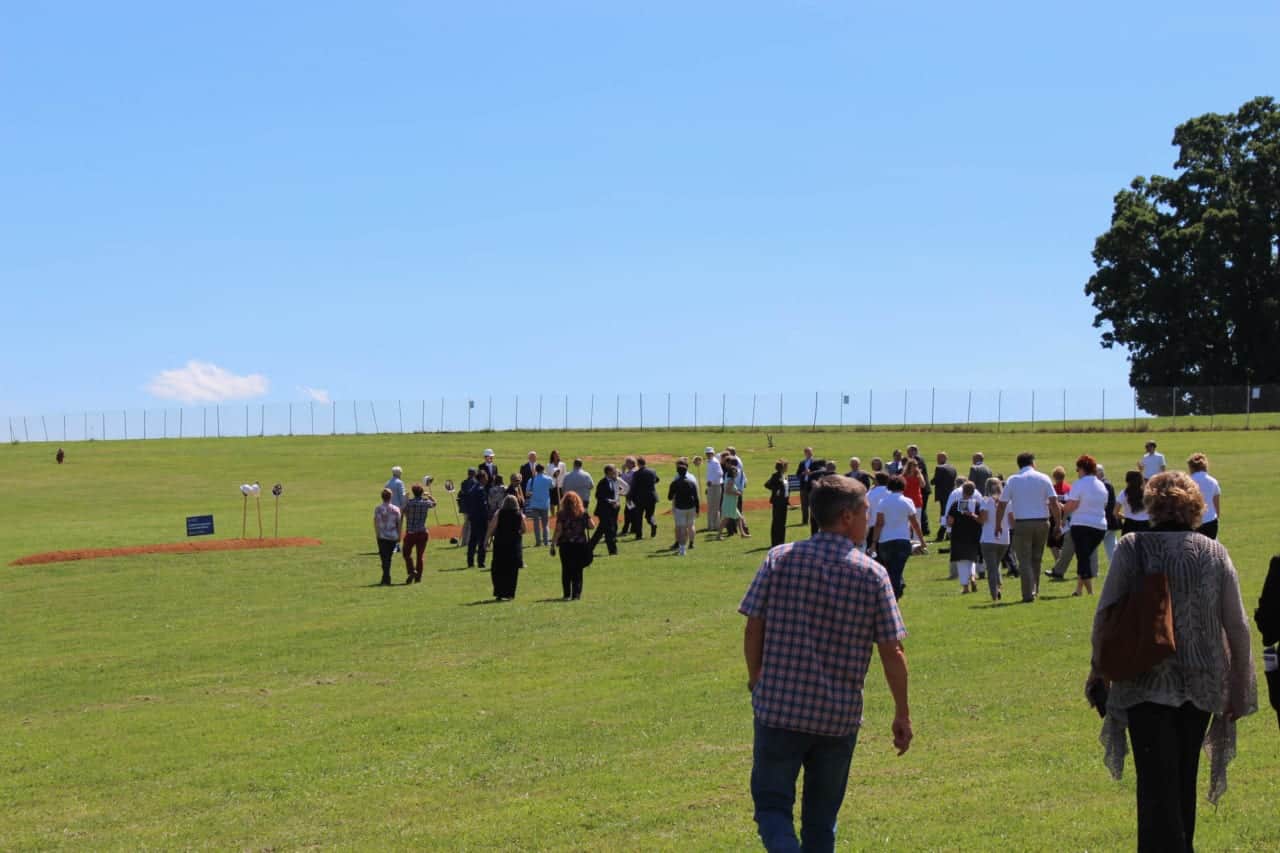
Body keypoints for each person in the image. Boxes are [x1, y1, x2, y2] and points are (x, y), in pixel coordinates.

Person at [739, 475, 912, 852]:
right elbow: (892, 651)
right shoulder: (873, 574)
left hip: (779, 708)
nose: (870, 518)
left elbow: (754, 627)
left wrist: (757, 679)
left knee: (772, 807)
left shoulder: (780, 559)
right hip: (836, 717)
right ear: (847, 517)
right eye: (866, 511)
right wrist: (902, 713)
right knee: (821, 821)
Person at [1087, 471, 1256, 852]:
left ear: (1152, 506)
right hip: (1202, 684)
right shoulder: (1214, 552)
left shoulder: (1132, 547)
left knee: (1154, 788)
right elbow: (1238, 626)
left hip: (1144, 680)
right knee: (1182, 781)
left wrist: (1098, 669)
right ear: (1195, 506)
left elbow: (1105, 614)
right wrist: (1239, 687)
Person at [996, 452, 1062, 603]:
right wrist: (1058, 524)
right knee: (1036, 558)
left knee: (1024, 560)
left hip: (1022, 523)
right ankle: (1035, 589)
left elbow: (1002, 504)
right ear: (1032, 463)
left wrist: (999, 523)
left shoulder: (1013, 480)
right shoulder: (1044, 478)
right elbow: (1054, 503)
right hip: (1042, 522)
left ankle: (1027, 594)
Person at [1062, 455, 1108, 598]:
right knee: (1085, 555)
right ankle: (1078, 590)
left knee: (1083, 558)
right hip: (1100, 526)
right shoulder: (1101, 485)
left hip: (1081, 524)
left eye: (1077, 469)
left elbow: (1072, 505)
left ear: (1082, 469)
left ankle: (1090, 593)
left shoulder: (1079, 484)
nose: (1077, 472)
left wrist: (1062, 508)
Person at [873, 475, 924, 600]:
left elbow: (879, 524)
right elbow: (915, 523)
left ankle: (895, 590)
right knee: (897, 568)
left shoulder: (883, 502)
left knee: (891, 568)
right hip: (902, 539)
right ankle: (896, 591)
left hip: (885, 540)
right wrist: (922, 540)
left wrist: (874, 542)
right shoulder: (907, 501)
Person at [553, 491, 593, 600]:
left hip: (565, 545)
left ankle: (566, 594)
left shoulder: (561, 514)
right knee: (578, 570)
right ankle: (576, 594)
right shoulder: (583, 512)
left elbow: (558, 530)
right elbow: (591, 526)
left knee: (566, 570)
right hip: (580, 544)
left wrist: (553, 544)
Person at [978, 479, 1011, 601]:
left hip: (988, 538)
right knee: (996, 565)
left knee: (991, 568)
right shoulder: (1008, 501)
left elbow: (983, 519)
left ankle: (994, 593)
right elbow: (1012, 520)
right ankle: (998, 587)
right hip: (1004, 539)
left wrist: (973, 515)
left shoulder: (986, 500)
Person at [486, 495, 525, 600]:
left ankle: (499, 592)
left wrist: (487, 540)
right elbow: (524, 529)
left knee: (498, 568)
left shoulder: (499, 513)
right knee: (512, 570)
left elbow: (491, 527)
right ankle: (510, 593)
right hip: (513, 545)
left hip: (500, 544)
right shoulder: (519, 514)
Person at [948, 482, 983, 594]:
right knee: (972, 559)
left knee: (962, 561)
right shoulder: (977, 505)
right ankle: (972, 576)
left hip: (959, 536)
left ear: (963, 491)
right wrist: (972, 515)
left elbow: (950, 522)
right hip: (973, 535)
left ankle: (965, 587)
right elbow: (981, 520)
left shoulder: (955, 505)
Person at [401, 483, 435, 584]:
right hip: (422, 532)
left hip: (411, 532)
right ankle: (418, 578)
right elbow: (434, 503)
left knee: (406, 553)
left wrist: (405, 499)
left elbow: (402, 510)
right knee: (420, 556)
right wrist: (429, 496)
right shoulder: (425, 503)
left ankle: (412, 571)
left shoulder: (410, 503)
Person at [668, 458, 700, 555]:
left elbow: (669, 497)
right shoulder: (692, 481)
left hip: (680, 508)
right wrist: (697, 509)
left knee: (681, 528)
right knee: (691, 526)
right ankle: (691, 543)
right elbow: (696, 497)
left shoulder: (675, 482)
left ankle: (682, 548)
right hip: (691, 507)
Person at [461, 470, 493, 569]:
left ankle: (470, 562)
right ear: (482, 478)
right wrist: (488, 517)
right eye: (486, 477)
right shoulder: (480, 489)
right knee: (482, 540)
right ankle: (481, 562)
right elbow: (483, 506)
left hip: (473, 517)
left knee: (472, 540)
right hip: (481, 518)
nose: (487, 479)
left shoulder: (472, 488)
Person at [588, 464, 621, 555]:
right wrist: (610, 501)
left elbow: (615, 494)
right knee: (609, 530)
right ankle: (613, 551)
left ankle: (588, 548)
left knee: (602, 531)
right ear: (609, 472)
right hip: (603, 511)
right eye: (614, 470)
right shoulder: (602, 482)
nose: (615, 472)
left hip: (611, 510)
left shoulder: (614, 481)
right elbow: (598, 496)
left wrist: (616, 502)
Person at [1187, 453, 1221, 540]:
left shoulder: (1188, 481)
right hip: (1211, 521)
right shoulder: (1213, 481)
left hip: (1194, 521)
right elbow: (1216, 506)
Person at [372, 487, 402, 586]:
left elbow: (376, 522)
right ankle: (386, 577)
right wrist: (399, 535)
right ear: (391, 497)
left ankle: (386, 577)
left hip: (382, 536)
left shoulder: (378, 509)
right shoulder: (396, 509)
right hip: (392, 536)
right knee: (388, 557)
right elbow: (399, 523)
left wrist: (377, 533)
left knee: (384, 558)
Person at [525, 463, 555, 549]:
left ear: (536, 470)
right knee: (545, 524)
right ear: (543, 470)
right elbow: (553, 486)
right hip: (545, 504)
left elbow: (527, 493)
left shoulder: (532, 480)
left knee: (536, 524)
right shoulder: (548, 479)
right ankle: (546, 541)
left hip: (534, 504)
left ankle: (538, 542)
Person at [630, 456, 660, 539]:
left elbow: (634, 486)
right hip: (652, 497)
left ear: (638, 464)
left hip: (640, 498)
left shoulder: (636, 474)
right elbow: (657, 480)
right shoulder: (652, 471)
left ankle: (639, 535)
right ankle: (653, 524)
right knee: (650, 515)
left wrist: (630, 496)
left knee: (638, 517)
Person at [905, 445, 931, 537]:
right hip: (910, 497)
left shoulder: (917, 459)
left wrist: (918, 472)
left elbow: (922, 483)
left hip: (918, 495)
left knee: (919, 516)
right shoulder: (905, 475)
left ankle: (920, 534)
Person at [931, 452, 958, 542]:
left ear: (942, 458)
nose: (937, 460)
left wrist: (932, 481)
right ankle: (948, 533)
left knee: (943, 514)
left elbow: (936, 480)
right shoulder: (952, 468)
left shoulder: (939, 468)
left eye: (938, 458)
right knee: (949, 513)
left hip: (943, 494)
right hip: (951, 493)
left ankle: (941, 534)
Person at [765, 460, 790, 547]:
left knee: (783, 523)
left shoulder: (784, 476)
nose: (787, 467)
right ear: (782, 467)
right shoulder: (776, 475)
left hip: (784, 502)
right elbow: (767, 484)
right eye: (786, 466)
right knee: (776, 522)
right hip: (778, 502)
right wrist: (776, 490)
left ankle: (781, 541)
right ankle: (775, 542)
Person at [1118, 470, 1150, 534]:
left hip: (1129, 524)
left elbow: (1115, 512)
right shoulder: (1148, 493)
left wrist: (1125, 517)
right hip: (1146, 524)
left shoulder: (1124, 493)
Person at [385, 465, 407, 552]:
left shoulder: (388, 483)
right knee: (398, 527)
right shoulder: (399, 483)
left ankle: (391, 544)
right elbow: (402, 496)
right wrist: (404, 506)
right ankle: (396, 545)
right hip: (398, 508)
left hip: (389, 508)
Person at [720, 463, 743, 538]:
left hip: (731, 503)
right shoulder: (731, 481)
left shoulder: (730, 479)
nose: (737, 473)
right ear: (733, 473)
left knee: (739, 518)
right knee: (725, 520)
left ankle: (743, 534)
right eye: (736, 472)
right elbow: (727, 491)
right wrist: (737, 493)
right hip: (729, 503)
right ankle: (718, 535)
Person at [704, 446, 724, 533]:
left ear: (713, 453)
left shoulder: (715, 462)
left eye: (710, 453)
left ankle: (715, 525)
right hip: (711, 486)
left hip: (715, 486)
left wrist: (711, 481)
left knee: (715, 507)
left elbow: (720, 473)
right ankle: (711, 525)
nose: (708, 455)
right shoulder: (709, 462)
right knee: (710, 506)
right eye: (707, 453)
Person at [457, 467, 478, 548]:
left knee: (466, 523)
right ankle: (468, 541)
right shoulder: (475, 483)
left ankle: (464, 541)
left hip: (465, 506)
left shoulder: (463, 483)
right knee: (470, 524)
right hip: (472, 506)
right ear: (474, 474)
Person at [796, 447, 817, 526]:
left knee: (812, 505)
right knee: (804, 505)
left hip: (812, 485)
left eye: (810, 452)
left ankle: (813, 521)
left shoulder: (815, 462)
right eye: (807, 452)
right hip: (803, 485)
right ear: (804, 453)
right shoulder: (802, 463)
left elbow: (819, 472)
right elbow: (797, 474)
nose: (809, 453)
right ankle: (804, 521)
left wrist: (811, 473)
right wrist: (803, 473)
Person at [546, 449, 566, 516]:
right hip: (552, 486)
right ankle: (553, 515)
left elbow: (564, 474)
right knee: (552, 502)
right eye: (555, 455)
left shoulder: (562, 464)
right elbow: (548, 475)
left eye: (558, 455)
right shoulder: (549, 465)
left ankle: (558, 515)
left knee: (559, 502)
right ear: (553, 456)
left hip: (560, 485)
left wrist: (562, 483)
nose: (557, 456)